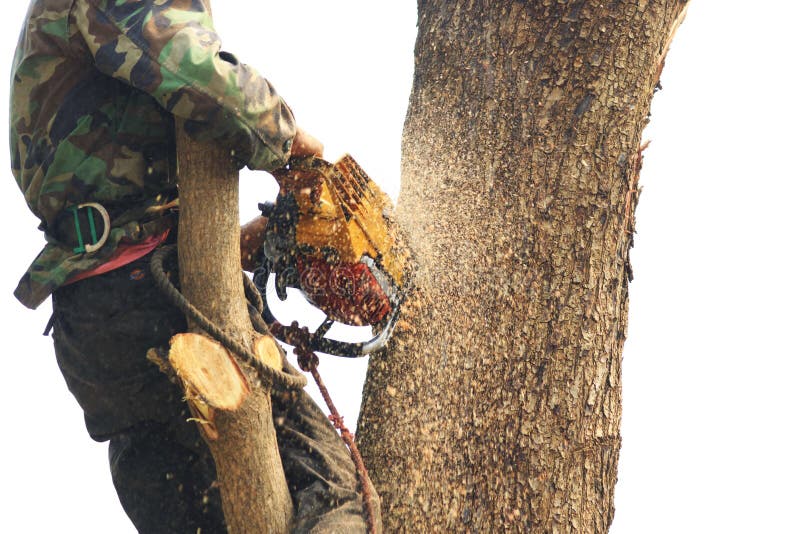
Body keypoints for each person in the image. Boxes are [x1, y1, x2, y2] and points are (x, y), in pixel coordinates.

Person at [10, 1, 375, 532]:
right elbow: (192, 70)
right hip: (153, 298)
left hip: (94, 323)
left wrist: (260, 240)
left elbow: (130, 202)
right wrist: (288, 142)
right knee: (341, 499)